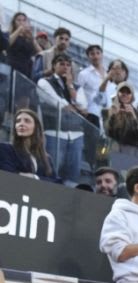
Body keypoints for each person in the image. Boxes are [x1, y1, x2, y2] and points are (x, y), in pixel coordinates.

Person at [36, 53, 87, 186]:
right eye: (62, 63)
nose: (65, 67)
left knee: (72, 176)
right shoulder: (44, 82)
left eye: (68, 65)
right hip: (54, 132)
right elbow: (56, 102)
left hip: (76, 135)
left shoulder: (76, 87)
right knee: (51, 172)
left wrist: (70, 85)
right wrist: (72, 106)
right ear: (54, 66)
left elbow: (82, 105)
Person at [0, 109, 53, 180]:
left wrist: (35, 177)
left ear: (36, 127)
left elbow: (57, 182)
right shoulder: (5, 149)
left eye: (27, 121)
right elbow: (8, 173)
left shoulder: (47, 158)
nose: (21, 124)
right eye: (18, 121)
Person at [6, 13, 43, 79]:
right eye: (19, 20)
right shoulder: (10, 34)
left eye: (24, 20)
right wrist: (19, 29)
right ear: (14, 22)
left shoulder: (28, 37)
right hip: (12, 66)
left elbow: (41, 53)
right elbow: (7, 43)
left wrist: (32, 38)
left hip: (26, 69)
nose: (22, 22)